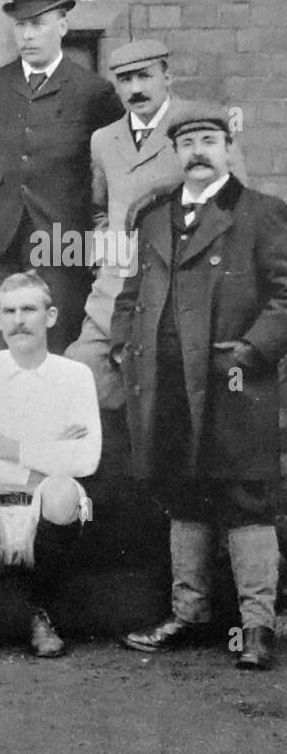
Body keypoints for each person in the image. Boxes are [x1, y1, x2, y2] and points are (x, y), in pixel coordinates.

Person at [114, 105, 287, 670]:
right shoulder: (153, 217)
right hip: (166, 382)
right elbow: (130, 293)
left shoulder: (262, 214)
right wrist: (124, 350)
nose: (198, 152)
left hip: (233, 383)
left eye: (209, 140)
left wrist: (250, 351)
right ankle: (189, 616)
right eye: (187, 142)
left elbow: (284, 297)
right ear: (175, 153)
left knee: (245, 499)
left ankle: (256, 628)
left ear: (228, 147)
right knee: (182, 493)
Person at [0, 0, 123, 354]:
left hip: (63, 239)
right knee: (2, 343)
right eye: (21, 25)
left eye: (38, 24)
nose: (27, 35)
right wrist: (1, 188)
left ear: (62, 24)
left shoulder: (92, 91)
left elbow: (112, 165)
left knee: (57, 340)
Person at [64, 41, 245, 407]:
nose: (135, 89)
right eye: (124, 79)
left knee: (168, 396)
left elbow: (238, 208)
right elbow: (100, 209)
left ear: (167, 76)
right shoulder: (104, 140)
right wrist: (105, 252)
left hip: (180, 287)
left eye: (144, 76)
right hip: (115, 290)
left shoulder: (199, 131)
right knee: (83, 373)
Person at [0, 272, 101, 658]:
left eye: (29, 310)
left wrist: (9, 446)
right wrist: (39, 465)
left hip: (49, 504)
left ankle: (41, 614)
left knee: (64, 491)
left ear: (50, 316)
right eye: (10, 311)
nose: (19, 320)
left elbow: (86, 458)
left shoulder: (75, 376)